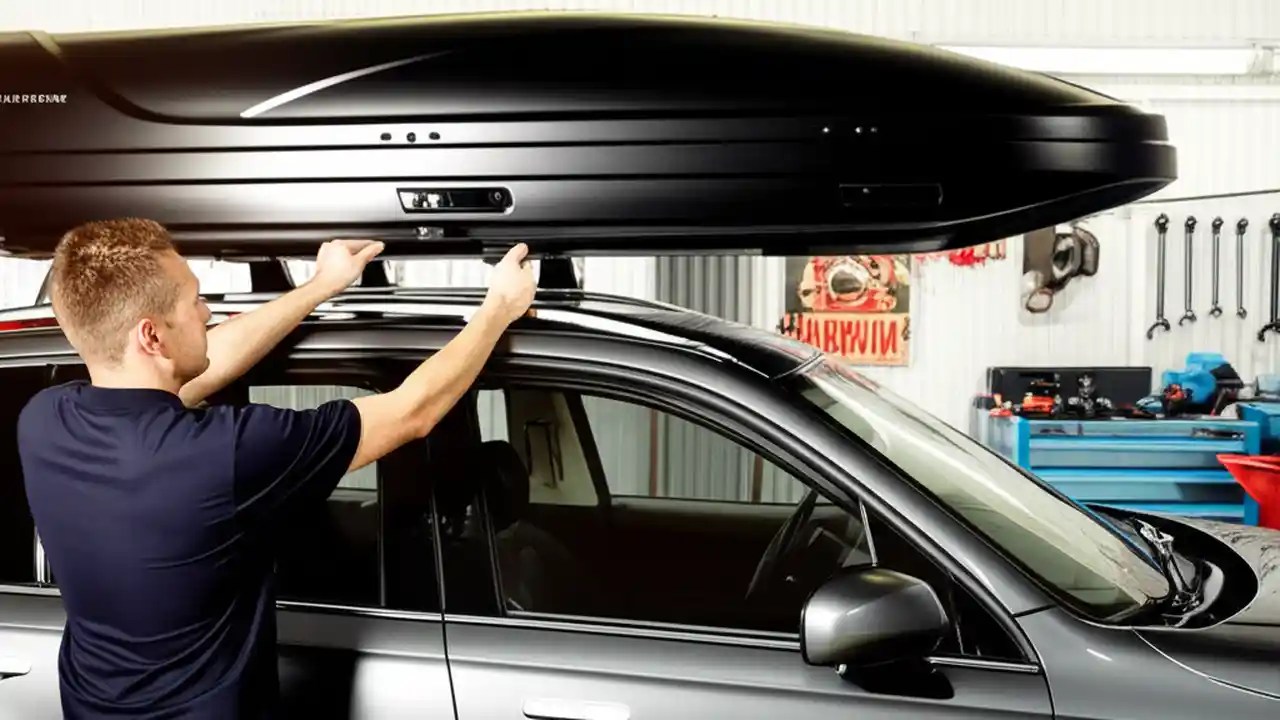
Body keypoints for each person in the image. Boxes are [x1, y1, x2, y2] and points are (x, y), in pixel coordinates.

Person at [16, 218, 537, 719]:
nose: (207, 312)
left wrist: (320, 286)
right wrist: (497, 310)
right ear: (152, 337)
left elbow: (201, 364)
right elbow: (411, 413)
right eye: (195, 300)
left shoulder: (43, 423)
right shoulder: (226, 454)